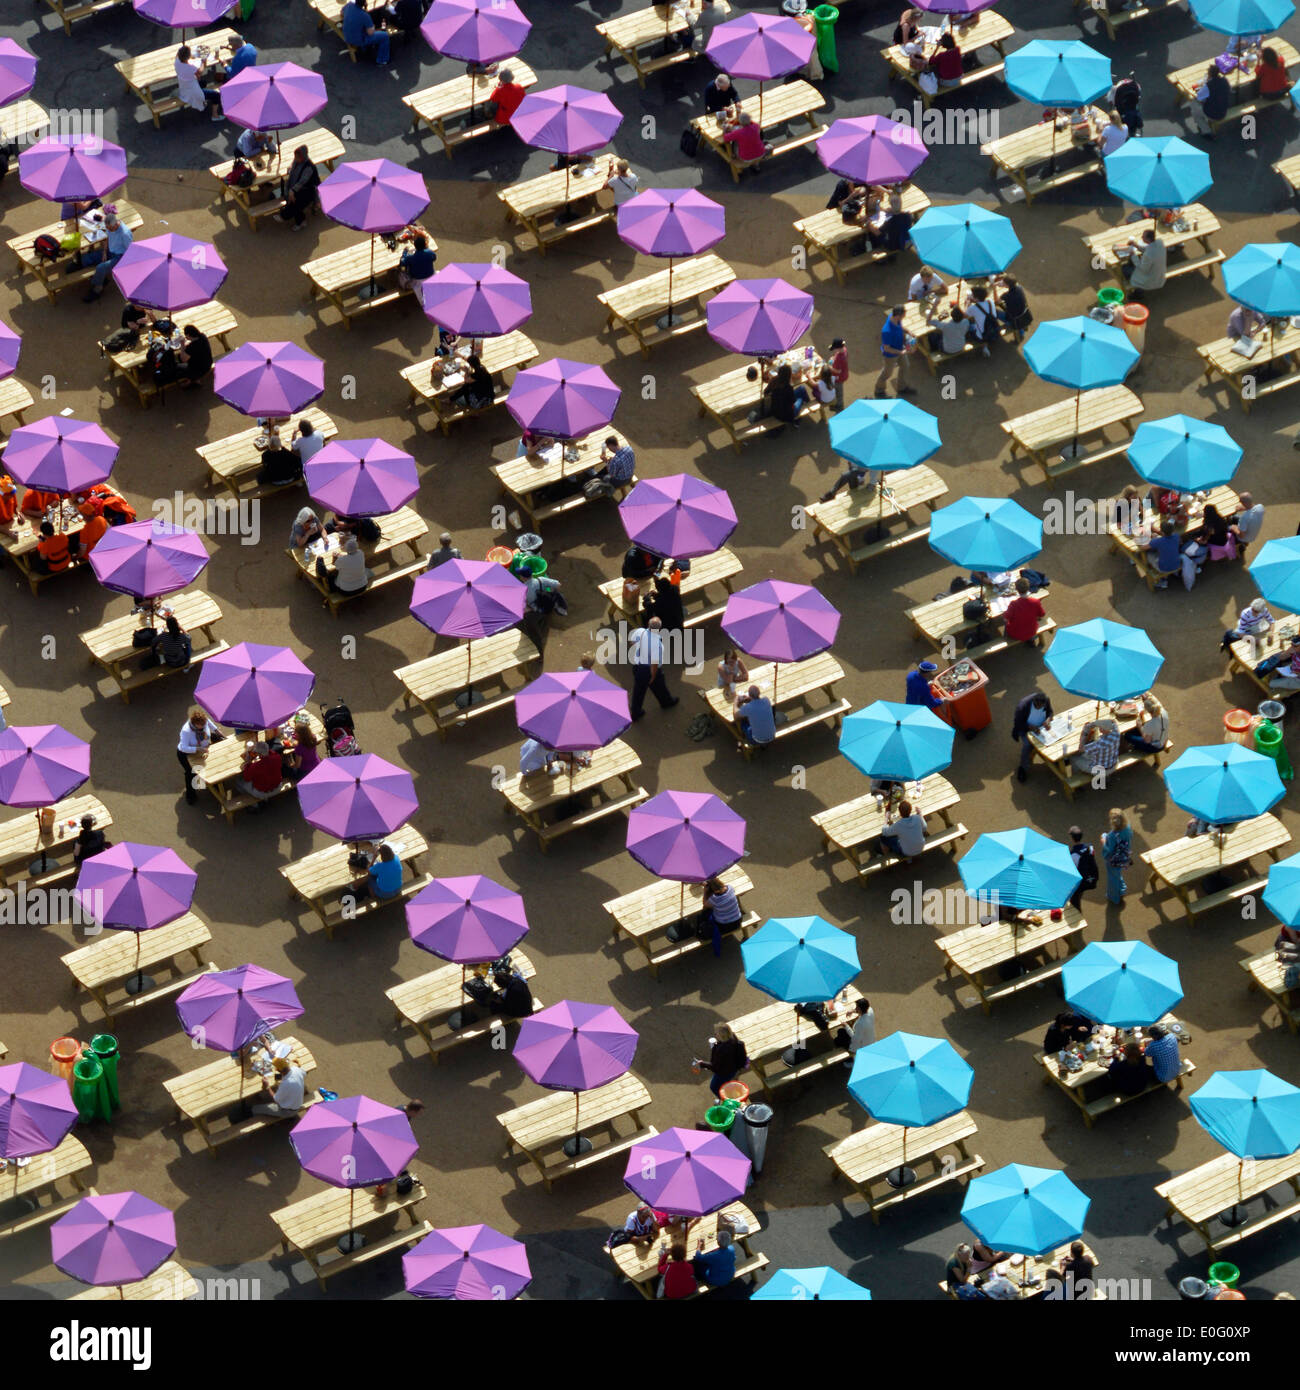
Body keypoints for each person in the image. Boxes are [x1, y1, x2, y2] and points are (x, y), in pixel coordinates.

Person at [629, 617, 678, 720]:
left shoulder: (640, 631)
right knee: (660, 687)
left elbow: (632, 642)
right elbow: (655, 663)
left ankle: (636, 712)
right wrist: (653, 676)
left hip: (637, 666)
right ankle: (666, 702)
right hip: (648, 670)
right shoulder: (658, 644)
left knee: (638, 692)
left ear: (648, 624)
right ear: (659, 629)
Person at [82, 213, 133, 301]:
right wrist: (105, 252)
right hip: (110, 251)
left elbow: (130, 251)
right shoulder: (110, 227)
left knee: (100, 268)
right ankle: (100, 278)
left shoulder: (124, 234)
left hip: (120, 257)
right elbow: (107, 238)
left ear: (116, 224)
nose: (108, 229)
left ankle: (98, 289)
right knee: (86, 258)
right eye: (107, 227)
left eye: (110, 228)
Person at [178, 707, 223, 803]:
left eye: (204, 724)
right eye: (201, 726)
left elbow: (209, 723)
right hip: (187, 753)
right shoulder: (186, 731)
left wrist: (216, 731)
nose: (204, 726)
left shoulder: (204, 721)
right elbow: (183, 747)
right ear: (194, 724)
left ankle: (214, 784)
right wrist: (198, 749)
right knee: (191, 773)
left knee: (210, 765)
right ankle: (190, 795)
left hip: (203, 749)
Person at [693, 1022, 746, 1098]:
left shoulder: (721, 1050)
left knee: (714, 1087)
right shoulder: (733, 1039)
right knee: (731, 1083)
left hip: (725, 1073)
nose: (715, 1034)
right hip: (735, 1068)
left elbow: (715, 1066)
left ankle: (726, 1100)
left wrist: (701, 1063)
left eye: (716, 1034)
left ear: (721, 1036)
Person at [1011, 690, 1053, 783]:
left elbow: (1050, 712)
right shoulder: (1022, 706)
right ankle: (1023, 768)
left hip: (1042, 728)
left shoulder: (1046, 701)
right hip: (1026, 730)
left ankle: (1055, 761)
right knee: (1027, 745)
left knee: (1053, 741)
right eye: (1037, 706)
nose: (1040, 708)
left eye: (1042, 706)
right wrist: (1031, 727)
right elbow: (1018, 723)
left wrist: (1048, 720)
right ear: (1033, 702)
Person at [875, 305, 915, 399]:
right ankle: (879, 391)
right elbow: (886, 348)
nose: (904, 317)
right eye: (903, 316)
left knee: (905, 366)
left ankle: (902, 387)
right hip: (890, 355)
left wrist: (908, 331)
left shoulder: (896, 319)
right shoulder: (887, 331)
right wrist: (900, 352)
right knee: (887, 373)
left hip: (900, 348)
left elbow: (900, 327)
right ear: (898, 316)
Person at [175, 45, 222, 120]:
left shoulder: (177, 61)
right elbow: (200, 71)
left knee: (203, 82)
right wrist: (203, 61)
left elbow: (180, 53)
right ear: (188, 56)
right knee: (216, 95)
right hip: (192, 91)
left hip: (184, 86)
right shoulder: (190, 67)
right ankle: (215, 115)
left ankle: (203, 101)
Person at [1117, 228, 1166, 301]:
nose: (1141, 237)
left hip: (1151, 277)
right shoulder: (1159, 243)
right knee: (1132, 263)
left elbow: (1142, 269)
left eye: (1143, 236)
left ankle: (1138, 293)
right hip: (1159, 272)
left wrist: (1133, 255)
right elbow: (1148, 248)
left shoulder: (1148, 255)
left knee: (1125, 269)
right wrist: (1137, 246)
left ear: (1148, 239)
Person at [279, 145, 320, 230]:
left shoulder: (309, 167)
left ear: (303, 156)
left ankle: (290, 218)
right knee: (292, 198)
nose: (295, 158)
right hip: (299, 188)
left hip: (309, 191)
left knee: (296, 203)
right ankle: (300, 220)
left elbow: (302, 181)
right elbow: (293, 171)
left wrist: (292, 190)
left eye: (297, 157)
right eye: (295, 157)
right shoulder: (297, 161)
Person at [255, 423, 304, 488]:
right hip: (290, 478)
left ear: (269, 445)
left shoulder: (265, 455)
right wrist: (284, 448)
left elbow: (264, 466)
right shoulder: (286, 453)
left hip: (275, 481)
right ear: (280, 444)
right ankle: (298, 482)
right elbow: (298, 461)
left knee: (259, 475)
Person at [1101, 807, 1132, 906]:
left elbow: (1109, 850)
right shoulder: (1127, 828)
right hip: (1123, 856)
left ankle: (1114, 897)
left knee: (1112, 878)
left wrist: (1103, 840)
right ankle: (1122, 889)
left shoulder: (1111, 835)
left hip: (1112, 860)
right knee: (1117, 873)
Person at [1003, 576, 1045, 645]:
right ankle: (1031, 640)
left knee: (1005, 621)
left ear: (1017, 589)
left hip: (1015, 633)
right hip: (1032, 631)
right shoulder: (1035, 602)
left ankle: (1005, 637)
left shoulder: (1013, 604)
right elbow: (1042, 614)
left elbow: (1005, 619)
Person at [763, 363, 808, 428]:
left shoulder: (774, 381)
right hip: (787, 415)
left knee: (802, 389)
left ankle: (807, 403)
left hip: (775, 411)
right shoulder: (788, 387)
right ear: (789, 375)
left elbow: (765, 392)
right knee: (801, 398)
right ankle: (797, 420)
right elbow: (793, 401)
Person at [1191, 63, 1231, 136]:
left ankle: (1206, 131)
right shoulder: (1225, 81)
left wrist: (1200, 89)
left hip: (1213, 114)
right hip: (1224, 110)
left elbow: (1199, 97)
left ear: (1209, 74)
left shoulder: (1209, 85)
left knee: (1194, 105)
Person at [1066, 826, 1099, 912]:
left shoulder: (1073, 855)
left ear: (1072, 839)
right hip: (1088, 877)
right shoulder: (1090, 847)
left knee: (1074, 901)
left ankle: (1077, 914)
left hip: (1079, 881)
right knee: (1079, 894)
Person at [1144, 516, 1183, 587]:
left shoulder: (1158, 541)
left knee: (1149, 554)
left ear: (1162, 531)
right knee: (1165, 552)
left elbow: (1143, 547)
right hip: (1177, 564)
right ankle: (1174, 573)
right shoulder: (1176, 536)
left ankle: (1162, 580)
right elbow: (1179, 542)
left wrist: (1150, 537)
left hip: (1164, 568)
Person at [1112, 71, 1143, 136]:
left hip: (1122, 112)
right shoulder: (1135, 87)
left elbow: (1115, 102)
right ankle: (1132, 134)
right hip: (1132, 110)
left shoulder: (1118, 89)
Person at [827, 337, 849, 411]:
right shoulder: (844, 350)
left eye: (835, 348)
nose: (834, 350)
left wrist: (829, 367)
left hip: (839, 378)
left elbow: (838, 371)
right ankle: (837, 404)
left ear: (838, 348)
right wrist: (833, 358)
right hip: (844, 373)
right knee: (836, 390)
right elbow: (837, 354)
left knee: (839, 393)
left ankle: (839, 407)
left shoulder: (840, 358)